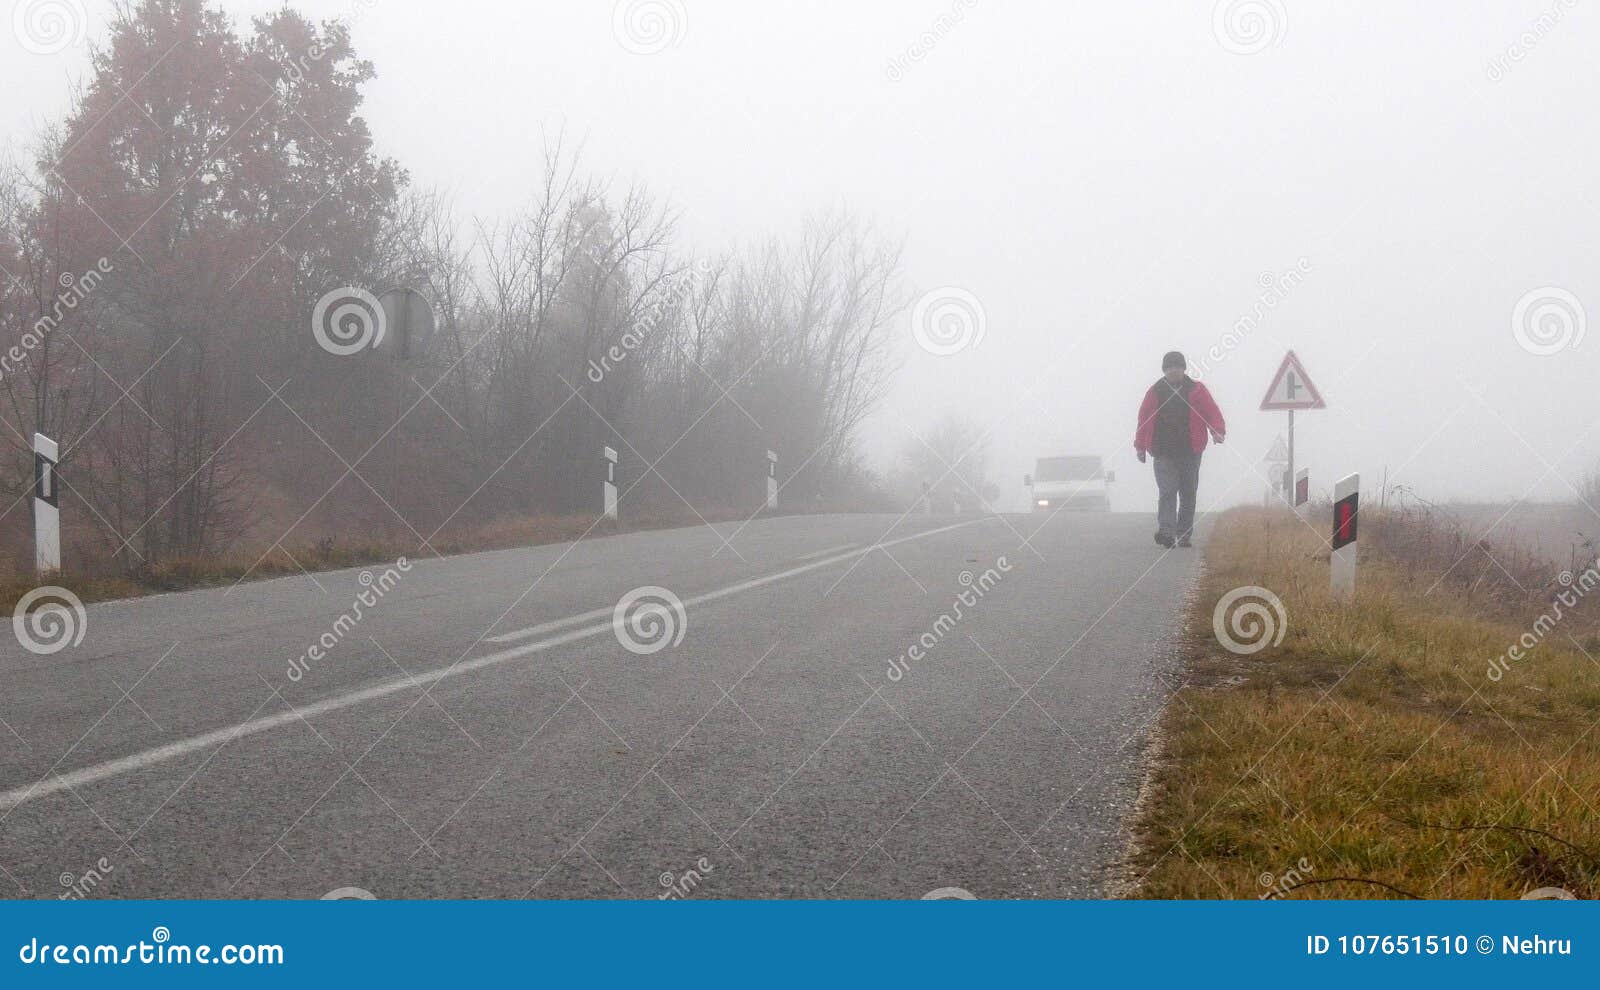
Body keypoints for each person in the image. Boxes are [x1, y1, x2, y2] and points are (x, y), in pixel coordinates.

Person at [1133, 351, 1226, 548]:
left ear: (1184, 368)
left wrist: (1217, 431)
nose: (1173, 371)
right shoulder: (1155, 391)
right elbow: (1144, 419)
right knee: (1167, 491)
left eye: (1177, 367)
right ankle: (1166, 532)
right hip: (1162, 451)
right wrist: (1140, 446)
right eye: (1169, 368)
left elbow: (1211, 411)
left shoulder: (1197, 390)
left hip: (1191, 451)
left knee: (1188, 493)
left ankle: (1184, 534)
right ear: (1164, 370)